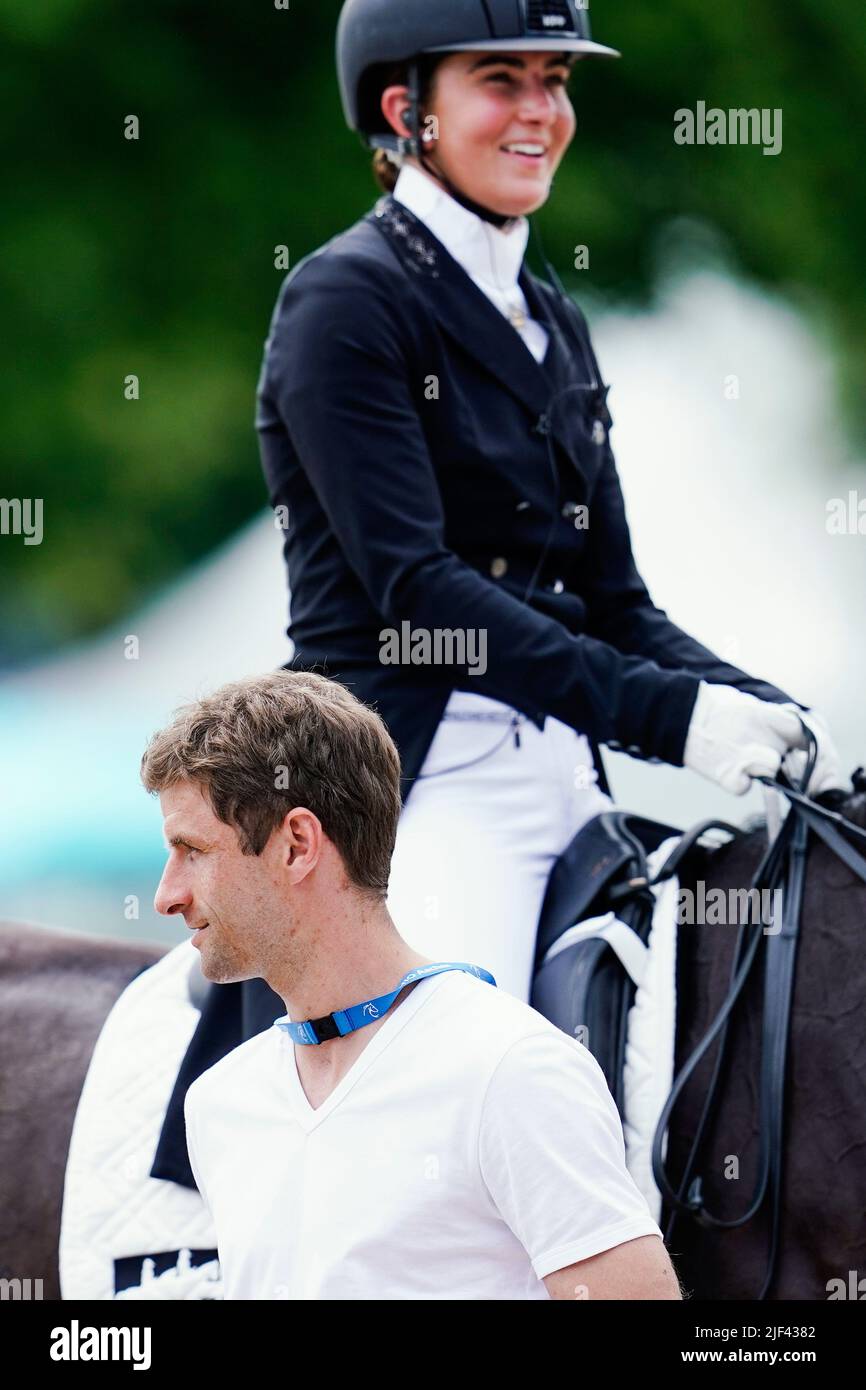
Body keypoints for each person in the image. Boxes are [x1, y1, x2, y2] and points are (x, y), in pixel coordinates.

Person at [149, 0, 844, 1191]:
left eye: (554, 81)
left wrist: (757, 712)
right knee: (430, 1122)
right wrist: (672, 721)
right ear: (403, 108)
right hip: (403, 778)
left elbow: (615, 601)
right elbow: (419, 590)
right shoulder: (343, 302)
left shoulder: (548, 316)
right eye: (500, 80)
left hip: (562, 772)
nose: (540, 113)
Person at [144, 669, 683, 1300]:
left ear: (296, 844)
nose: (165, 896)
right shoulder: (218, 1103)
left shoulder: (511, 1071)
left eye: (193, 851)